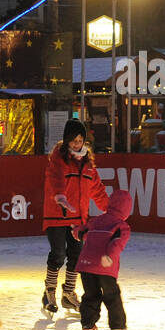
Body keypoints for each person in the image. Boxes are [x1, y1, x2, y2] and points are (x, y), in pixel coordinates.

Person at [42, 119, 108, 315]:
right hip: (57, 215)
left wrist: (110, 210)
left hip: (78, 219)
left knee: (76, 256)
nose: (77, 144)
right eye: (73, 140)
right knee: (58, 254)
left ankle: (68, 293)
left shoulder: (88, 164)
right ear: (67, 140)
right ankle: (49, 291)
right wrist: (60, 196)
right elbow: (55, 178)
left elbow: (97, 190)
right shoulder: (59, 158)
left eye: (80, 140)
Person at [75, 190, 132, 330]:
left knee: (90, 294)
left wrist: (76, 232)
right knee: (112, 295)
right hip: (105, 267)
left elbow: (83, 231)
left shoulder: (96, 220)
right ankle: (117, 325)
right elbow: (117, 243)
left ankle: (88, 324)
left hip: (86, 265)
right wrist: (109, 256)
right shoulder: (121, 226)